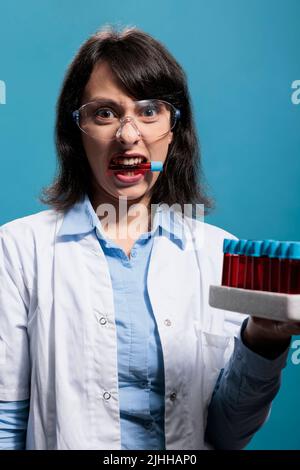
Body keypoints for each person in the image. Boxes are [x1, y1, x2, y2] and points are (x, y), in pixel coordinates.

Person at [0, 26, 299, 451]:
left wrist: (264, 339)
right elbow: (6, 423)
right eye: (103, 113)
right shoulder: (17, 250)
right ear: (77, 132)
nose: (127, 134)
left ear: (174, 130)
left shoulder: (218, 254)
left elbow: (227, 434)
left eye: (149, 111)